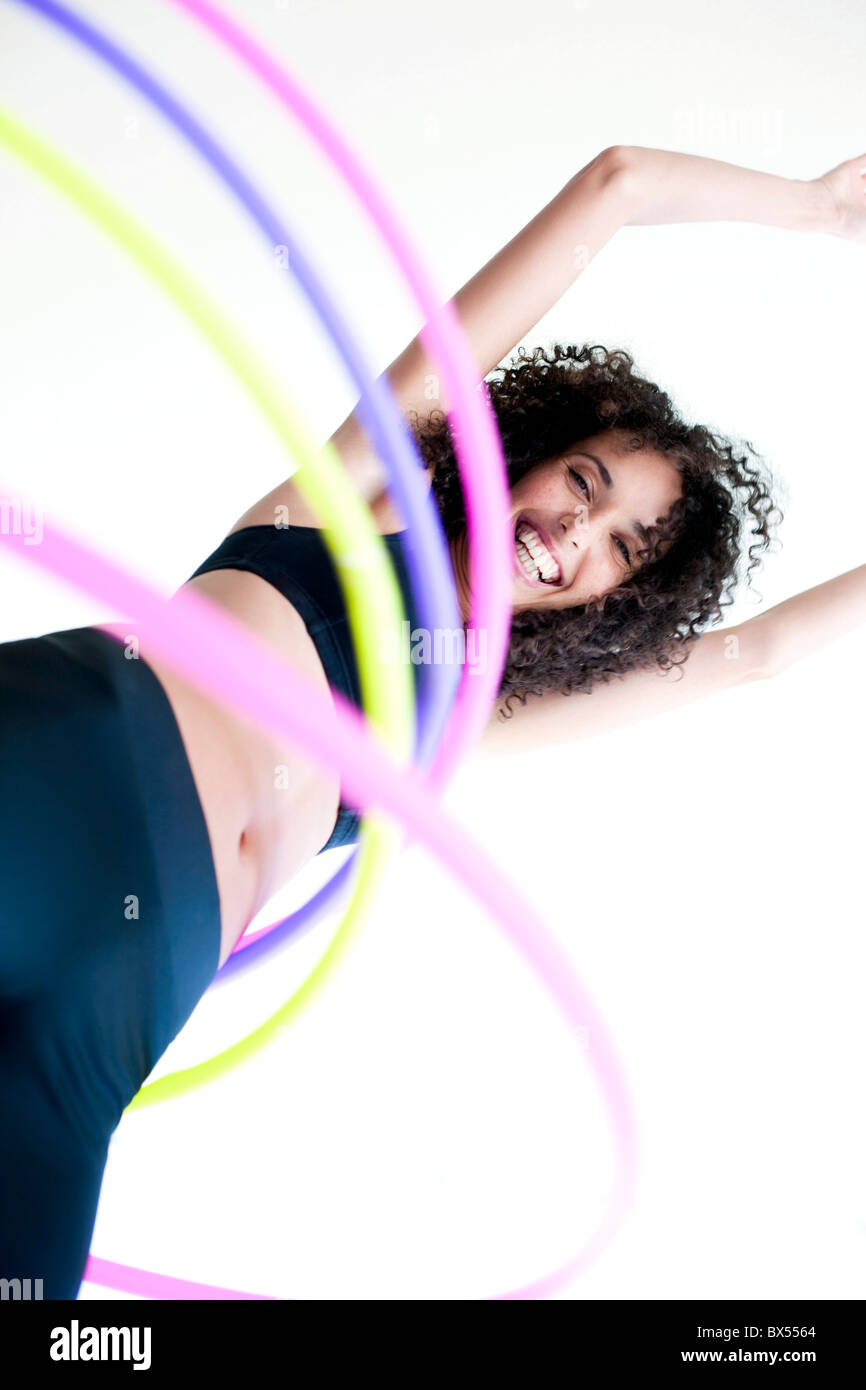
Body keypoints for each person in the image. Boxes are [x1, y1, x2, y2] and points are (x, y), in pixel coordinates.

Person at [1, 143, 864, 1299]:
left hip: (125, 998)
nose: (576, 533)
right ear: (528, 451)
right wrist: (815, 209)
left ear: (622, 603)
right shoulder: (334, 501)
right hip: (57, 776)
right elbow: (615, 185)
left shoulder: (473, 720)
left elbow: (753, 655)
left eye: (619, 550)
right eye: (583, 484)